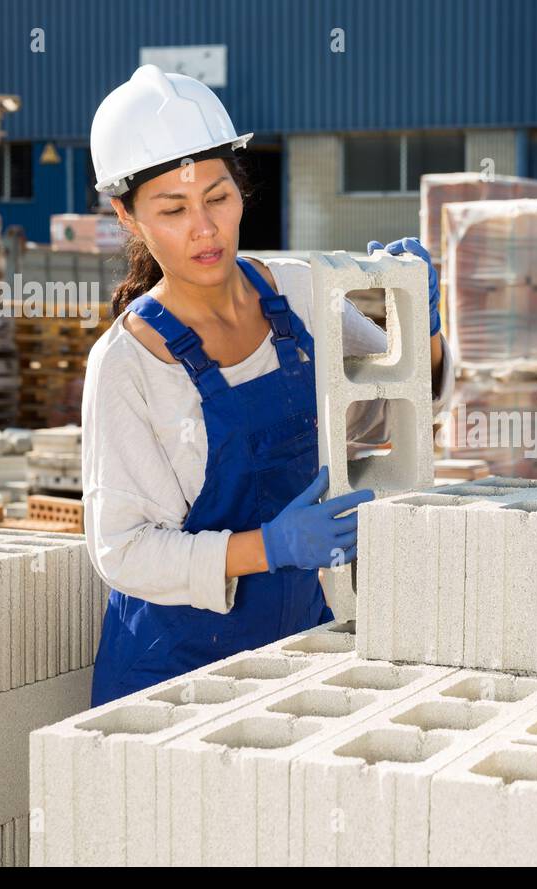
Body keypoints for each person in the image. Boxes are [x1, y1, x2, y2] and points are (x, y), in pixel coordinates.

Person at [82, 65, 451, 705]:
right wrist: (272, 547)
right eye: (173, 209)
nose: (205, 228)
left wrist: (420, 325)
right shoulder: (127, 365)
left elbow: (395, 410)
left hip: (299, 650)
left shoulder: (301, 293)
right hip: (172, 677)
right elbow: (124, 552)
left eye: (219, 197)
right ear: (128, 215)